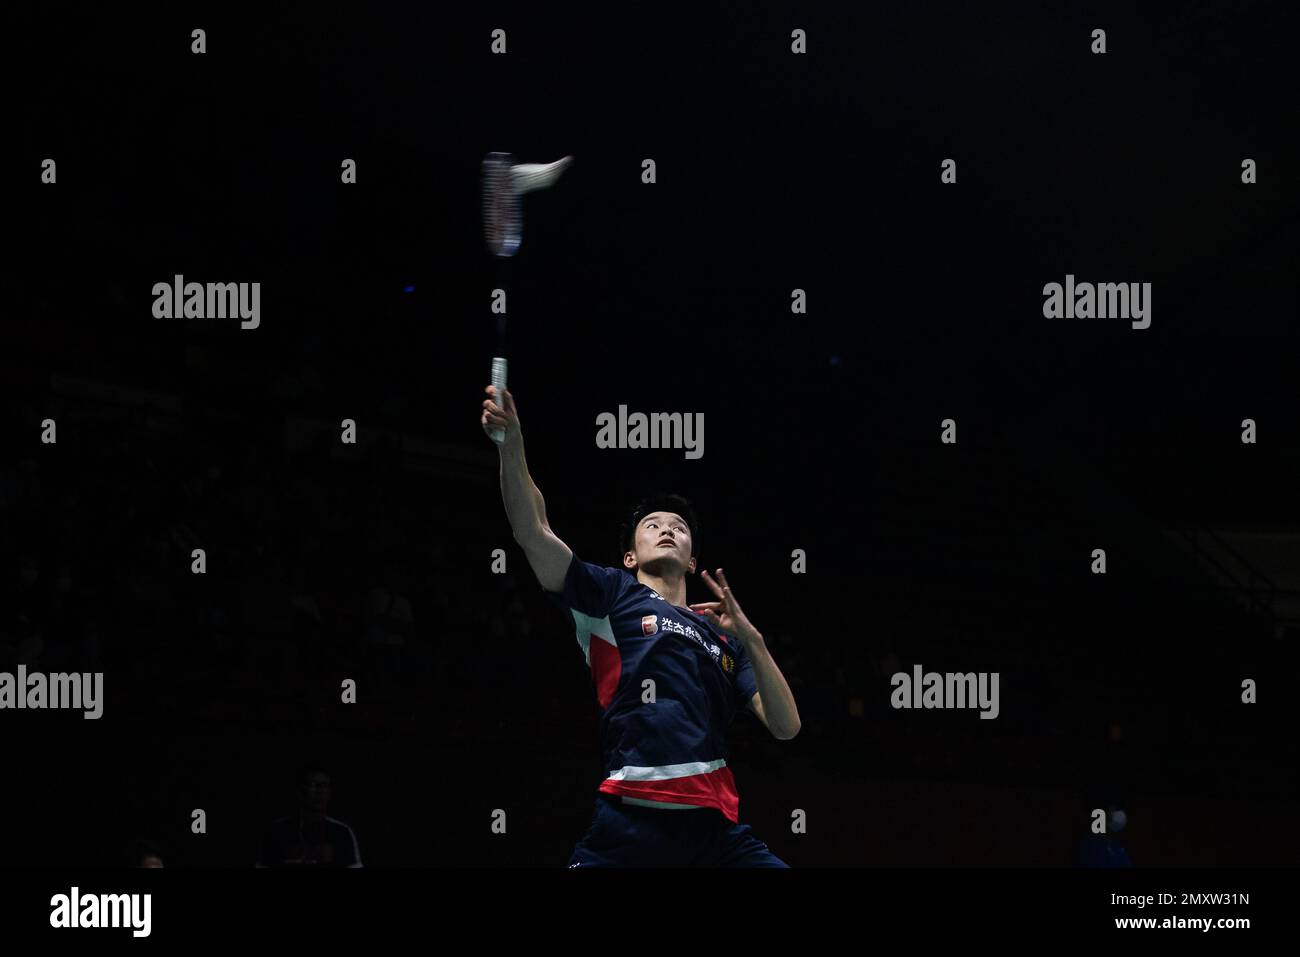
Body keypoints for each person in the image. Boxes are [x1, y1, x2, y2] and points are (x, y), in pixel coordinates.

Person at [481, 385, 801, 867]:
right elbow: (533, 530)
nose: (668, 528)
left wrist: (752, 640)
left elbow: (786, 726)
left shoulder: (723, 637)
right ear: (630, 556)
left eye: (679, 526)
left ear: (693, 561)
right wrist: (512, 443)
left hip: (716, 834)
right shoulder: (609, 596)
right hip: (628, 827)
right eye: (652, 524)